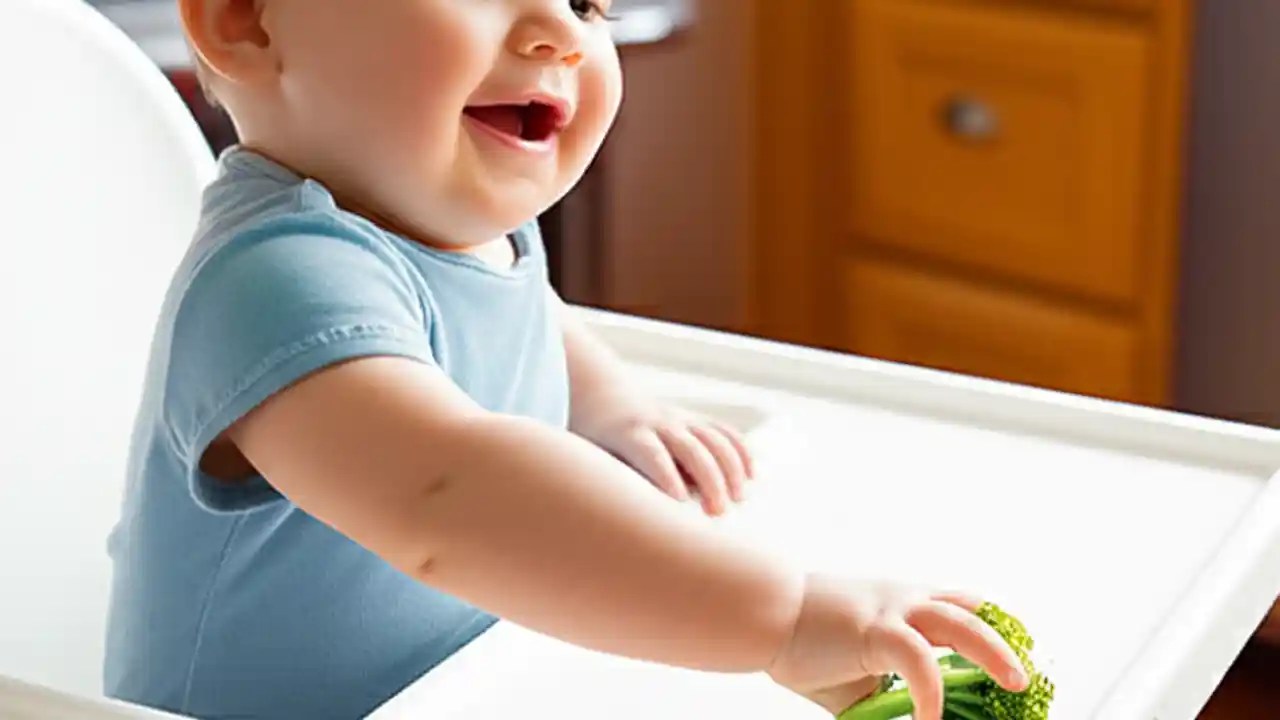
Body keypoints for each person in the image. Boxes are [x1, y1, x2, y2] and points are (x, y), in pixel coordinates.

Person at [103, 1, 1030, 718]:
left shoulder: (457, 227)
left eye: (590, 2)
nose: (560, 33)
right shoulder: (277, 279)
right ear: (247, 19)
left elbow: (519, 310)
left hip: (464, 683)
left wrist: (611, 404)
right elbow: (449, 495)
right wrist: (782, 619)